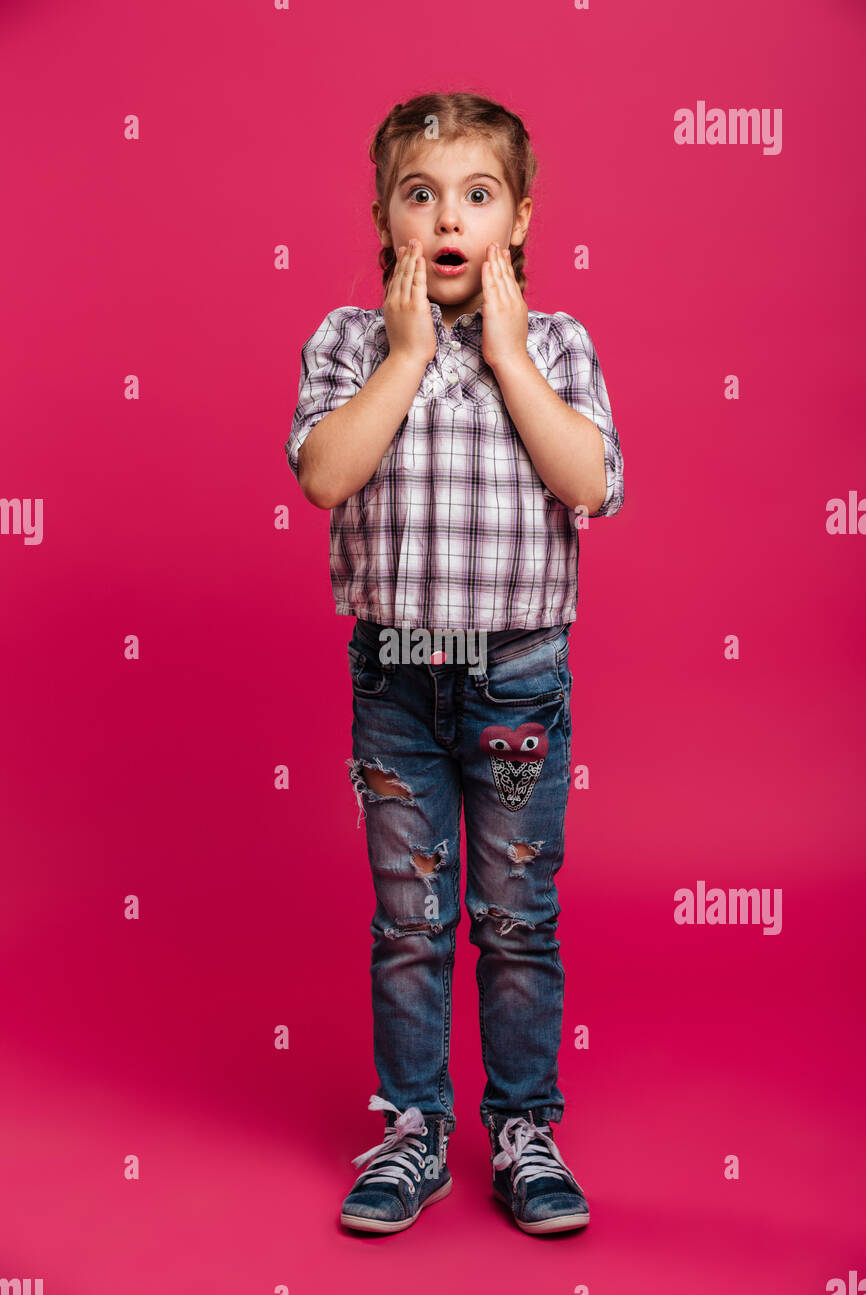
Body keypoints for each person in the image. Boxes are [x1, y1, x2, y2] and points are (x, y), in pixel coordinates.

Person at [284, 91, 624, 1236]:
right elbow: (326, 475)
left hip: (517, 681)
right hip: (396, 683)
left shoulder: (558, 344)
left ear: (517, 221)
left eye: (476, 196)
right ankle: (413, 1127)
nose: (447, 215)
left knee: (515, 915)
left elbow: (590, 482)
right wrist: (409, 353)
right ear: (384, 218)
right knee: (411, 921)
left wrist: (508, 355)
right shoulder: (347, 341)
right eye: (419, 194)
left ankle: (524, 1126)